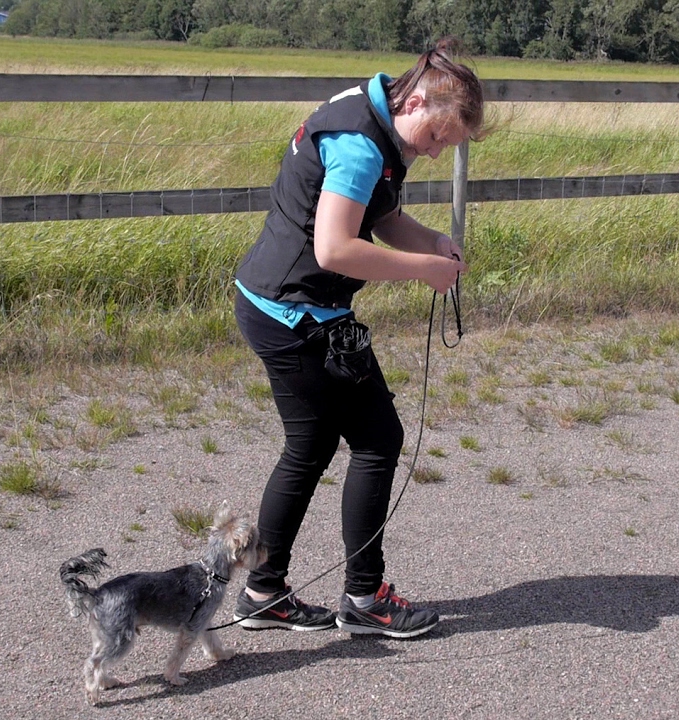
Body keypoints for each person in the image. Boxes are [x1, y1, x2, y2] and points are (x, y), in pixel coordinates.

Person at [230, 38, 489, 639]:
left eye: (447, 144)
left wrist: (430, 241)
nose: (437, 149)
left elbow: (378, 214)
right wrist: (425, 270)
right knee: (377, 439)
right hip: (297, 315)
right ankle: (366, 599)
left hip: (275, 303)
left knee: (309, 446)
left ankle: (264, 593)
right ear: (416, 101)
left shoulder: (374, 114)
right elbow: (335, 248)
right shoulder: (359, 145)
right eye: (438, 136)